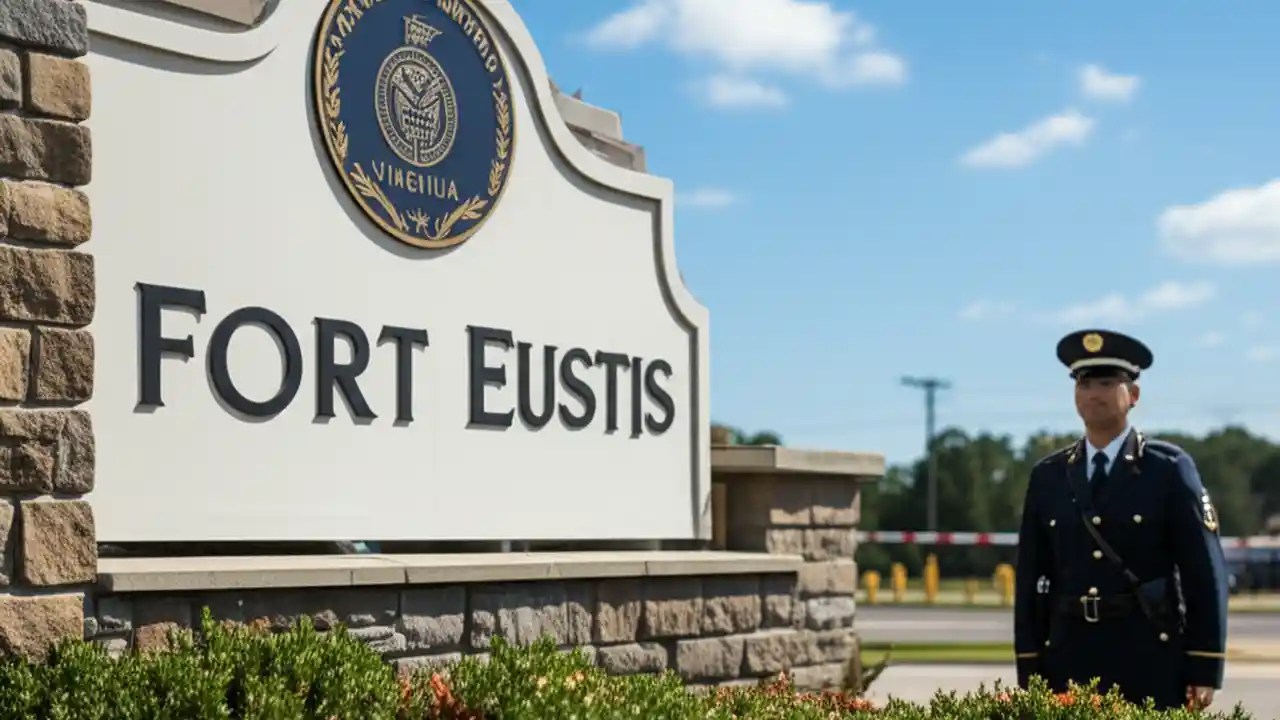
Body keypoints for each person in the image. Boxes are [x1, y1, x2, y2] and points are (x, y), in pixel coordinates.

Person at [1013, 328, 1229, 710]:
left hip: (1147, 658)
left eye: (1106, 382)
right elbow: (1031, 577)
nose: (1093, 393)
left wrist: (1204, 665)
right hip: (1068, 659)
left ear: (1133, 395)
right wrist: (1030, 663)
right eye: (1084, 382)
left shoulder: (1168, 469)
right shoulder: (1049, 476)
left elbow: (1204, 572)